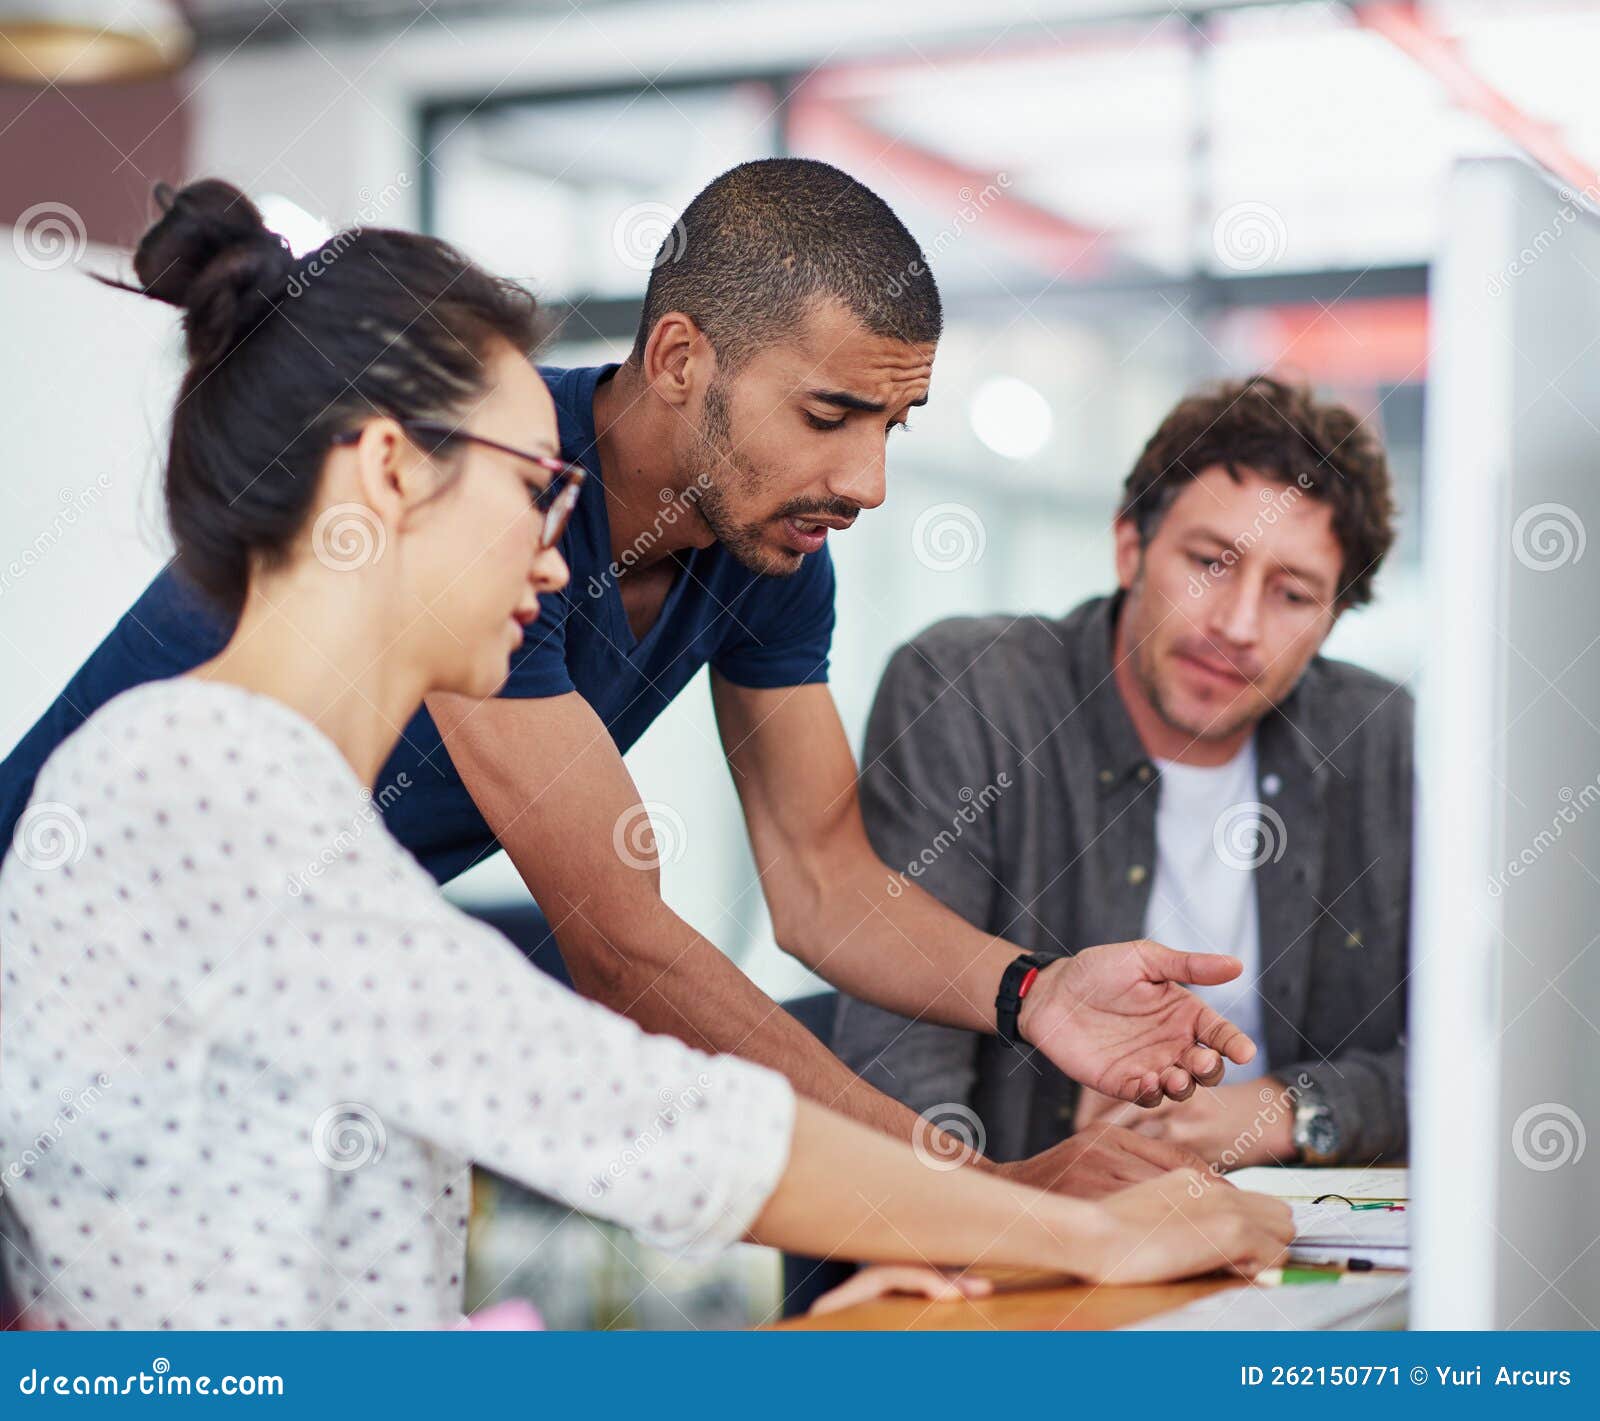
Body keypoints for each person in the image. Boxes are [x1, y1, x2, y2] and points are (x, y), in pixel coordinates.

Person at [0, 182, 1292, 1330]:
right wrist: (1023, 1218)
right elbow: (619, 1009)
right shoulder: (200, 787)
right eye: (532, 493)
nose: (868, 480)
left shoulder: (301, 810)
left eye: (893, 425)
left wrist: (1029, 995)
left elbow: (820, 885)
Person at [833, 376, 1410, 1172]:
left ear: (1333, 620)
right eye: (1211, 562)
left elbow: (1487, 1056)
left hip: (1292, 1226)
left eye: (1293, 594)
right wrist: (1004, 1222)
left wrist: (1280, 1110)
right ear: (1130, 545)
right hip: (1014, 1221)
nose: (1238, 625)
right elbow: (898, 1068)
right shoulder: (970, 695)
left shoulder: (1385, 744)